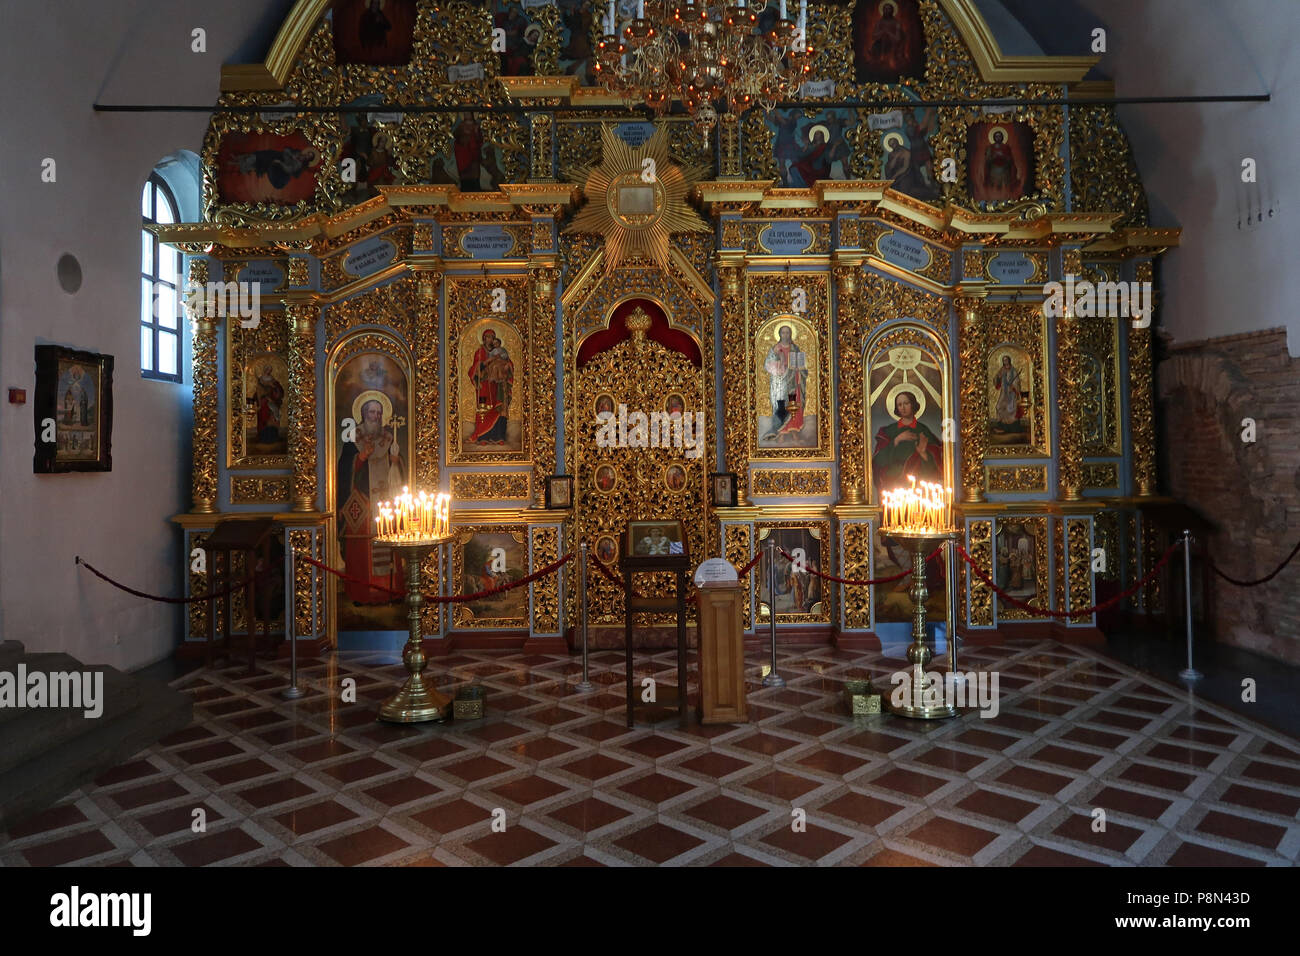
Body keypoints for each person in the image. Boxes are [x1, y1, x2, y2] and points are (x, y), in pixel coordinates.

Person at [336, 395, 405, 603]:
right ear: (363, 414)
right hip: (362, 502)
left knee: (388, 543)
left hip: (385, 502)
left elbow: (399, 472)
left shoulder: (388, 439)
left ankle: (389, 592)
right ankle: (362, 594)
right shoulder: (352, 439)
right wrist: (361, 457)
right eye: (371, 412)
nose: (375, 416)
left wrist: (395, 461)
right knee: (361, 549)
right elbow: (343, 471)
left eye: (378, 412)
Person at [871, 390, 943, 497]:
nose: (903, 407)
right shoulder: (888, 431)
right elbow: (878, 461)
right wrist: (896, 440)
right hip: (893, 487)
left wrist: (922, 453)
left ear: (913, 404)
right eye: (899, 405)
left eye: (906, 403)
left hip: (918, 487)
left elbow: (936, 465)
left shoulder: (923, 430)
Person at [468, 329, 513, 444]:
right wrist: (488, 361)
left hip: (496, 386)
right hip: (483, 387)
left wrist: (508, 365)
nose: (490, 339)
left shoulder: (500, 351)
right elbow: (474, 369)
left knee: (499, 408)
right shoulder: (480, 352)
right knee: (484, 409)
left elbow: (508, 361)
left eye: (492, 337)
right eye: (488, 337)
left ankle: (498, 437)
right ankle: (483, 436)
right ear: (484, 338)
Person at [763, 325, 807, 441]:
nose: (785, 335)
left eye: (788, 333)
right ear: (780, 334)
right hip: (781, 384)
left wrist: (800, 369)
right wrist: (781, 361)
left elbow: (801, 366)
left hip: (793, 382)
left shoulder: (795, 348)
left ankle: (793, 431)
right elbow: (768, 365)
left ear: (791, 334)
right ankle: (781, 432)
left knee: (794, 405)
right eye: (783, 333)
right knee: (782, 405)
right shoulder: (776, 349)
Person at [254, 363, 285, 444]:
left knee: (274, 416)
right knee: (263, 417)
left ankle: (273, 436)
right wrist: (262, 396)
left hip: (272, 401)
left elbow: (279, 391)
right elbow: (258, 392)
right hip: (263, 402)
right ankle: (262, 436)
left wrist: (274, 389)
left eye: (270, 370)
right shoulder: (260, 380)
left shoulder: (273, 380)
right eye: (267, 370)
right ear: (265, 370)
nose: (268, 371)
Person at [984, 129, 1021, 196]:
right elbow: (987, 160)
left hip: (1005, 171)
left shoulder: (1006, 147)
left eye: (1000, 136)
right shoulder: (990, 148)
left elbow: (1011, 160)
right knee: (995, 188)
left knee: (1005, 188)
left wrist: (1004, 157)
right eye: (996, 136)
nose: (998, 138)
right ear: (994, 137)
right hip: (994, 171)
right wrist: (994, 157)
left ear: (1002, 137)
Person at [992, 354, 1022, 426]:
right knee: (999, 406)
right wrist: (998, 377)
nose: (1005, 361)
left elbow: (1017, 381)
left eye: (1006, 360)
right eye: (1003, 360)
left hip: (1011, 392)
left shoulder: (1013, 370)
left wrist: (1013, 386)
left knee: (1011, 408)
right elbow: (996, 379)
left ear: (1009, 360)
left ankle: (1012, 425)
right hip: (1004, 391)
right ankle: (1002, 423)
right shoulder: (1002, 369)